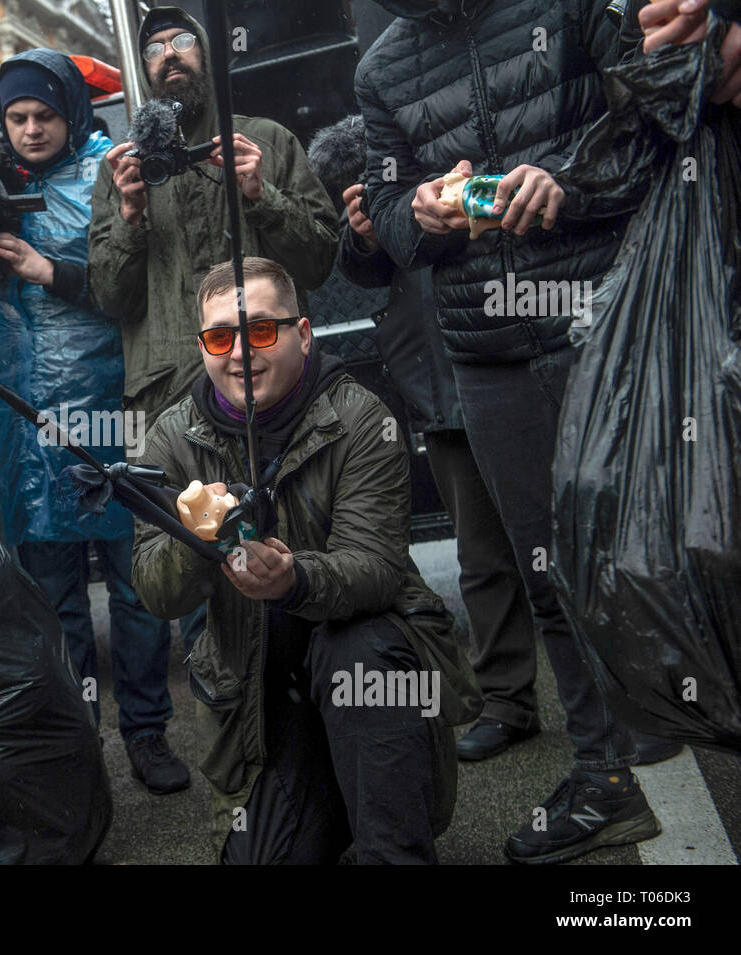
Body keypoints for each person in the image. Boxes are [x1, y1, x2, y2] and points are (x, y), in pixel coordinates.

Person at [355, 0, 666, 863]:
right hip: (487, 354)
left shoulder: (571, 9)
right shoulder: (380, 69)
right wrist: (413, 213)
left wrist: (564, 178)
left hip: (609, 320)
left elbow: (653, 122)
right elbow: (382, 212)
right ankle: (608, 777)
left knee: (674, 545)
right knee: (551, 576)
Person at [133, 257, 480, 863]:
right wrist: (199, 541)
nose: (240, 354)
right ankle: (322, 805)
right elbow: (157, 594)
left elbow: (375, 569)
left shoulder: (362, 418)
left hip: (360, 666)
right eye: (220, 337)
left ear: (304, 333)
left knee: (360, 649)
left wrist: (294, 578)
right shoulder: (170, 437)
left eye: (261, 330)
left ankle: (393, 845)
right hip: (264, 696)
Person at [0, 49, 187, 794]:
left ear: (72, 113)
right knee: (52, 595)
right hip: (23, 414)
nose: (29, 130)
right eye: (16, 117)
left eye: (43, 115)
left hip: (112, 402)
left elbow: (136, 287)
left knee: (136, 581)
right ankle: (77, 738)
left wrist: (47, 270)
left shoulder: (108, 172)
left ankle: (147, 732)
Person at [88, 5, 339, 657]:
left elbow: (321, 259)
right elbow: (108, 294)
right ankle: (243, 741)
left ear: (210, 54)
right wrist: (131, 214)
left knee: (301, 555)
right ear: (142, 73)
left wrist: (262, 195)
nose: (169, 55)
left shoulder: (267, 141)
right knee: (206, 580)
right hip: (174, 412)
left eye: (183, 42)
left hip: (278, 401)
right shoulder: (121, 171)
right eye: (154, 49)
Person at [309, 114, 539, 763]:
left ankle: (620, 685)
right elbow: (373, 273)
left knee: (561, 537)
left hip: (513, 360)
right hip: (440, 385)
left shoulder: (457, 149)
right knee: (482, 554)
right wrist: (365, 237)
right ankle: (508, 699)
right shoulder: (383, 183)